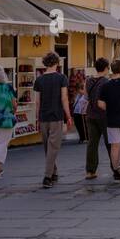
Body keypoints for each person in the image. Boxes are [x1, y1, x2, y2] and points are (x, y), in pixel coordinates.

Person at [31, 52, 72, 189]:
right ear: (57, 63)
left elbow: (37, 102)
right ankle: (47, 176)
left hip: (43, 117)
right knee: (53, 147)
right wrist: (68, 116)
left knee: (48, 147)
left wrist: (37, 118)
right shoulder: (62, 78)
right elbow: (64, 98)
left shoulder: (39, 80)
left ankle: (54, 173)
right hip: (56, 116)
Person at [83, 57, 110, 179]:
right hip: (104, 115)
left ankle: (90, 171)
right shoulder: (106, 82)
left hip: (90, 114)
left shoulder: (88, 80)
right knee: (110, 142)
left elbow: (86, 97)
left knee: (92, 144)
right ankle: (115, 168)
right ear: (106, 68)